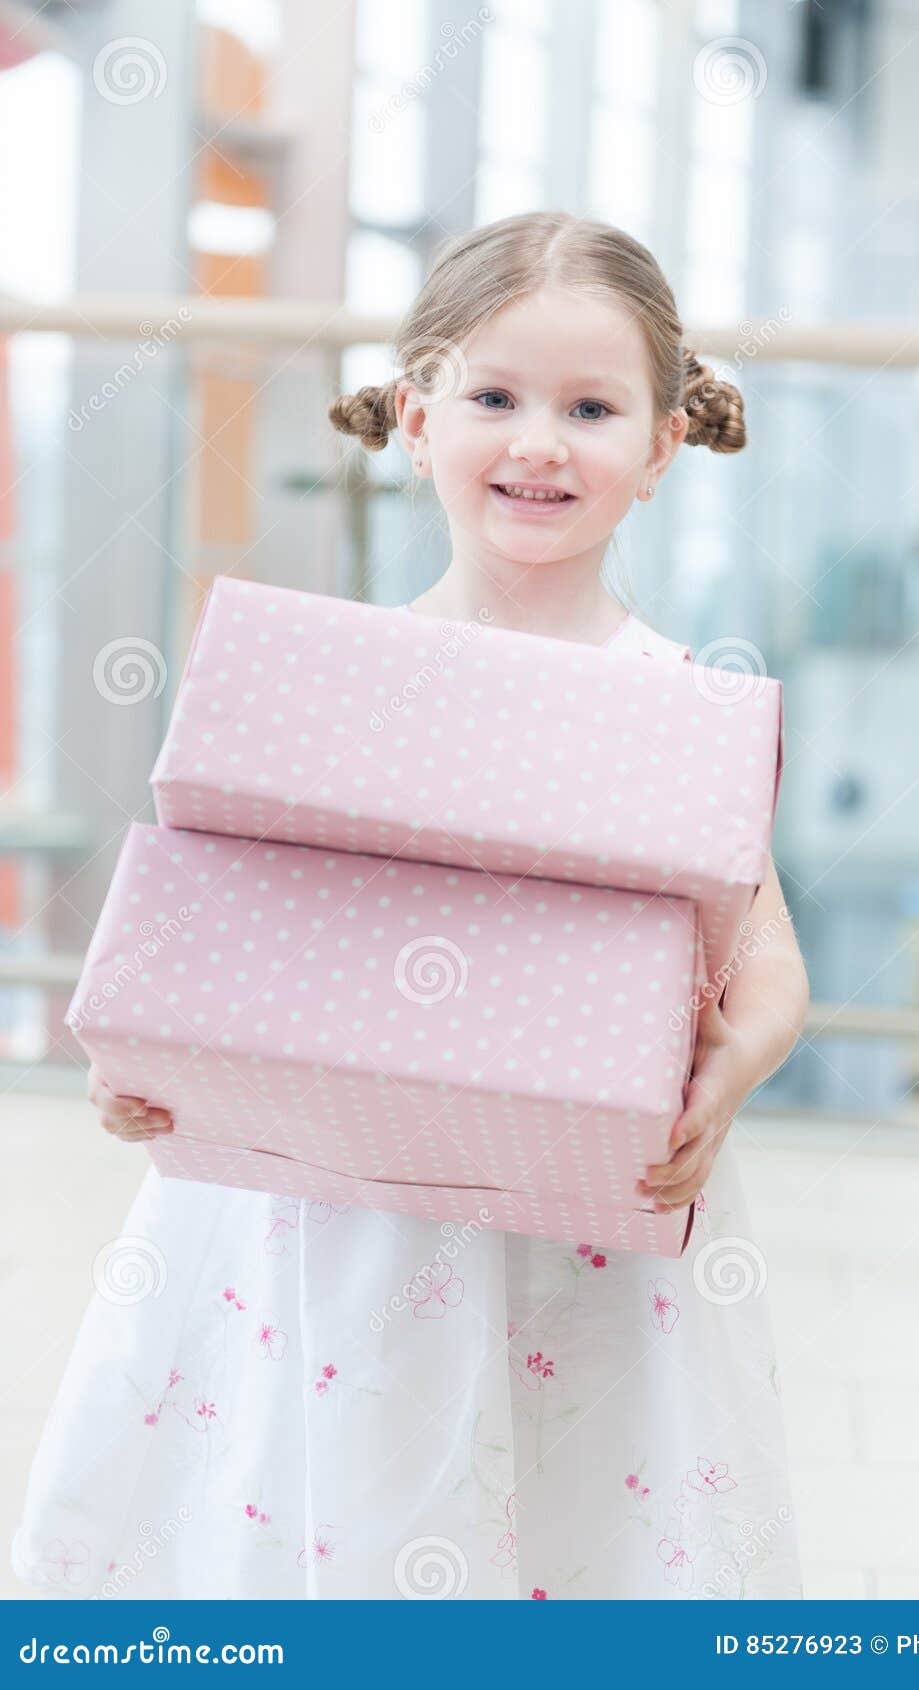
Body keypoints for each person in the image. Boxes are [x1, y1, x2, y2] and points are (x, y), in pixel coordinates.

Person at [12, 212, 808, 1600]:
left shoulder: (676, 703)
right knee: (322, 1502)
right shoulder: (329, 678)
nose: (539, 443)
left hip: (576, 1223)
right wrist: (154, 1063)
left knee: (566, 1519)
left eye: (590, 409)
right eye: (495, 398)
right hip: (324, 1208)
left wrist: (732, 1068)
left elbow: (766, 956)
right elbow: (227, 919)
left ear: (662, 446)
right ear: (416, 414)